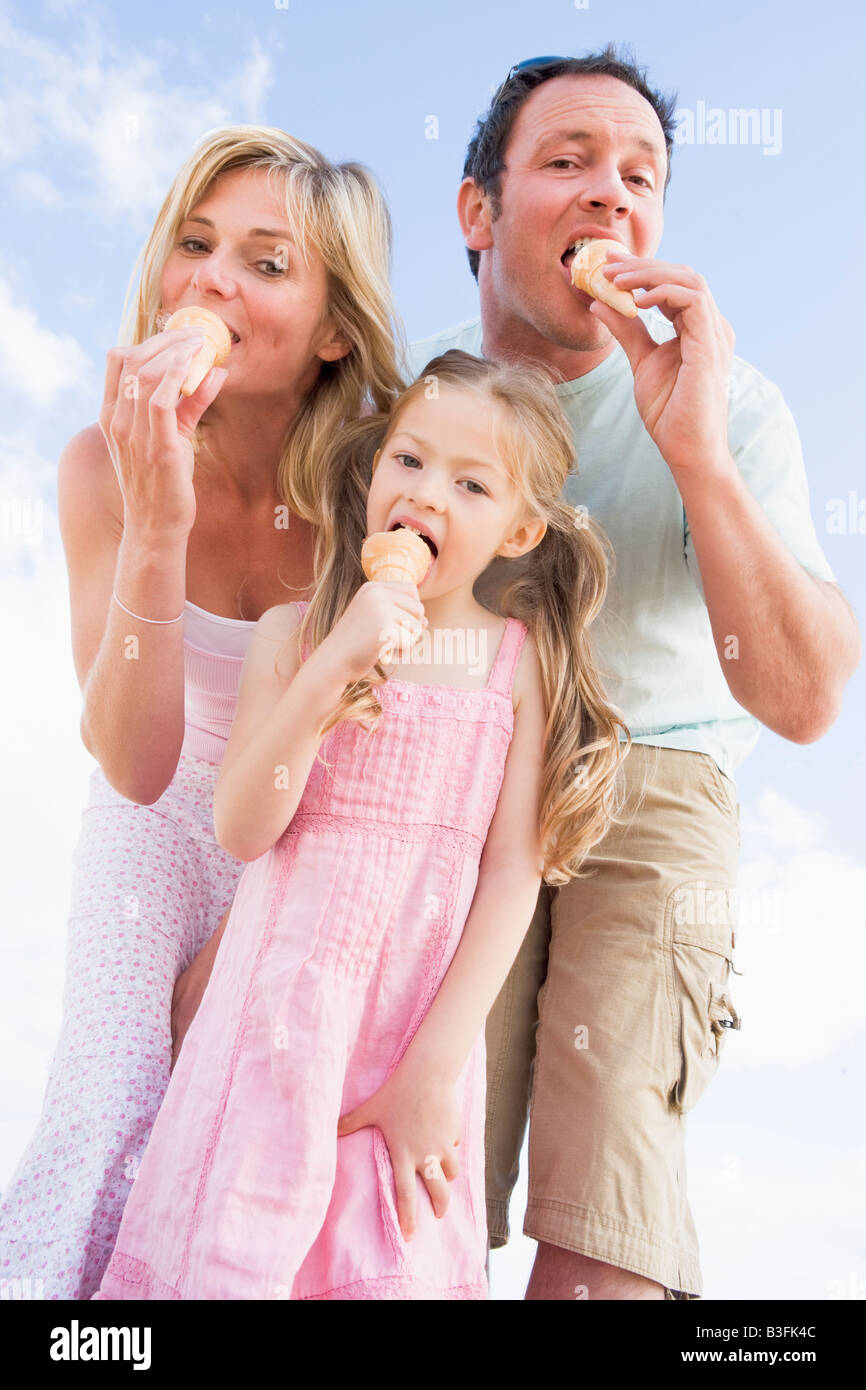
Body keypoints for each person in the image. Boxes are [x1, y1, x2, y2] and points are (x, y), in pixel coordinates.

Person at [405, 48, 861, 1300]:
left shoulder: (733, 406)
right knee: (403, 1179)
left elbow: (808, 698)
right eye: (568, 162)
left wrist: (697, 457)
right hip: (449, 770)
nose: (612, 194)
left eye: (639, 175)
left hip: (651, 781)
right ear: (477, 211)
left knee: (603, 1206)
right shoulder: (414, 398)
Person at [92, 349, 629, 1301]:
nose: (428, 493)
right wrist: (334, 663)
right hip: (266, 1038)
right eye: (410, 461)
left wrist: (436, 1069)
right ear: (376, 471)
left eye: (472, 484)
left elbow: (513, 874)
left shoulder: (516, 664)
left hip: (411, 1045)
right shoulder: (295, 635)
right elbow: (244, 828)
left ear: (518, 532)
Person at [0, 125, 404, 1300]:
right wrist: (157, 522)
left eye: (266, 263)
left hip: (309, 831)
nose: (210, 282)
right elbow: (132, 762)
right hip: (156, 823)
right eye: (194, 243)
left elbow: (360, 753)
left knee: (247, 1150)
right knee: (111, 1100)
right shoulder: (97, 466)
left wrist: (234, 961)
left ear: (334, 328)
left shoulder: (372, 489)